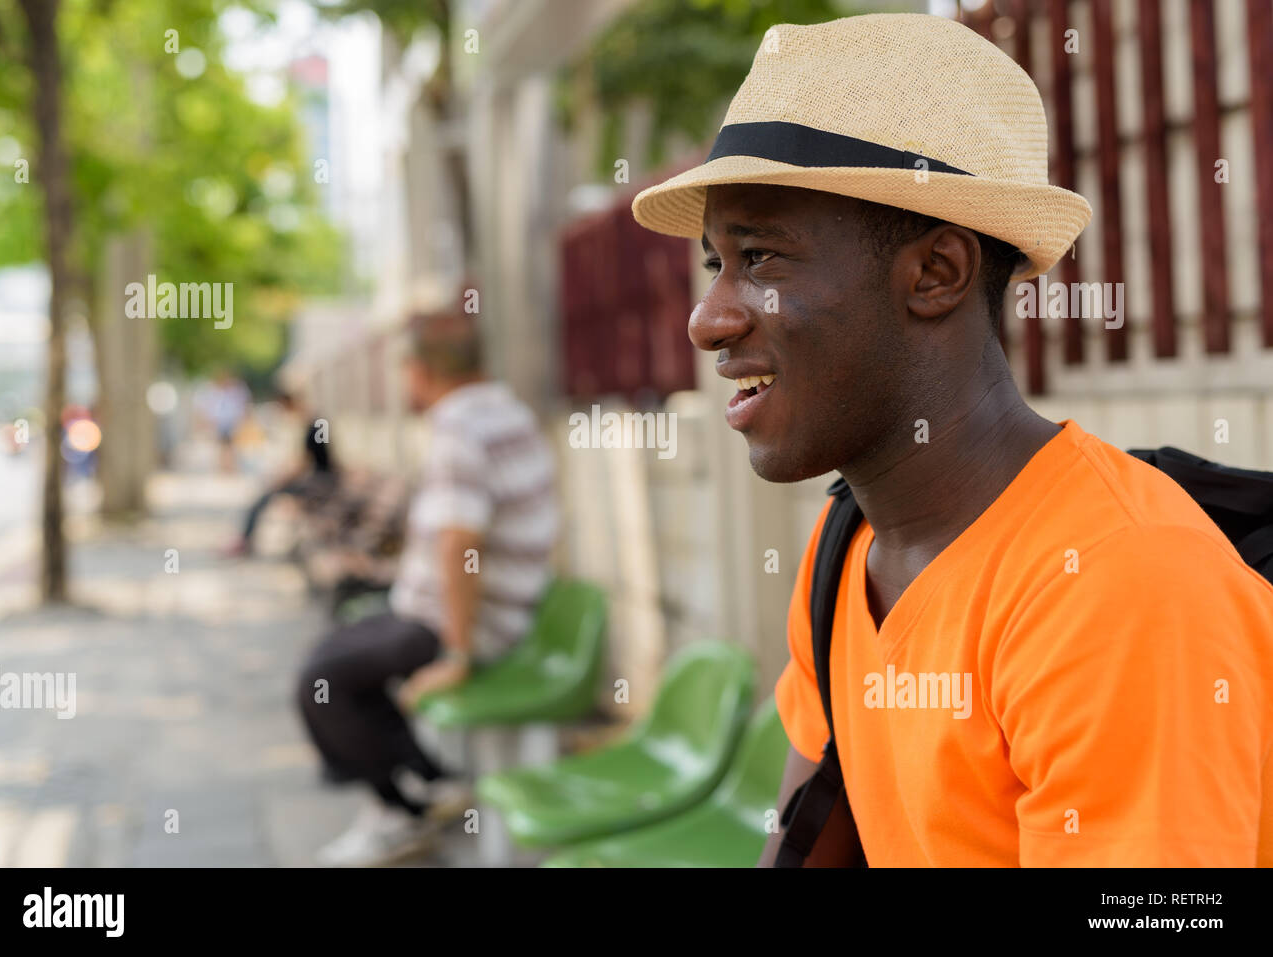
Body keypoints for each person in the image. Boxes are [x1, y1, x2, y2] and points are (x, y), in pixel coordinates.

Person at [631, 13, 1273, 867]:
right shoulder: (843, 546)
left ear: (936, 275)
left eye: (763, 258)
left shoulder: (1119, 584)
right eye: (717, 263)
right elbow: (808, 838)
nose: (708, 319)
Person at [296, 309, 559, 866]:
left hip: (460, 622)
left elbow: (461, 547)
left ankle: (405, 806)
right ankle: (427, 781)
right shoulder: (506, 410)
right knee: (340, 644)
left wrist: (458, 653)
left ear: (418, 369)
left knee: (322, 678)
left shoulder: (458, 428)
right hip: (487, 608)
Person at [223, 391, 336, 558]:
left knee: (263, 497)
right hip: (319, 478)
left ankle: (244, 540)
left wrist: (282, 479)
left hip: (319, 481)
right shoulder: (317, 424)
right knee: (264, 495)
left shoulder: (316, 425)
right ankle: (244, 539)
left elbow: (307, 462)